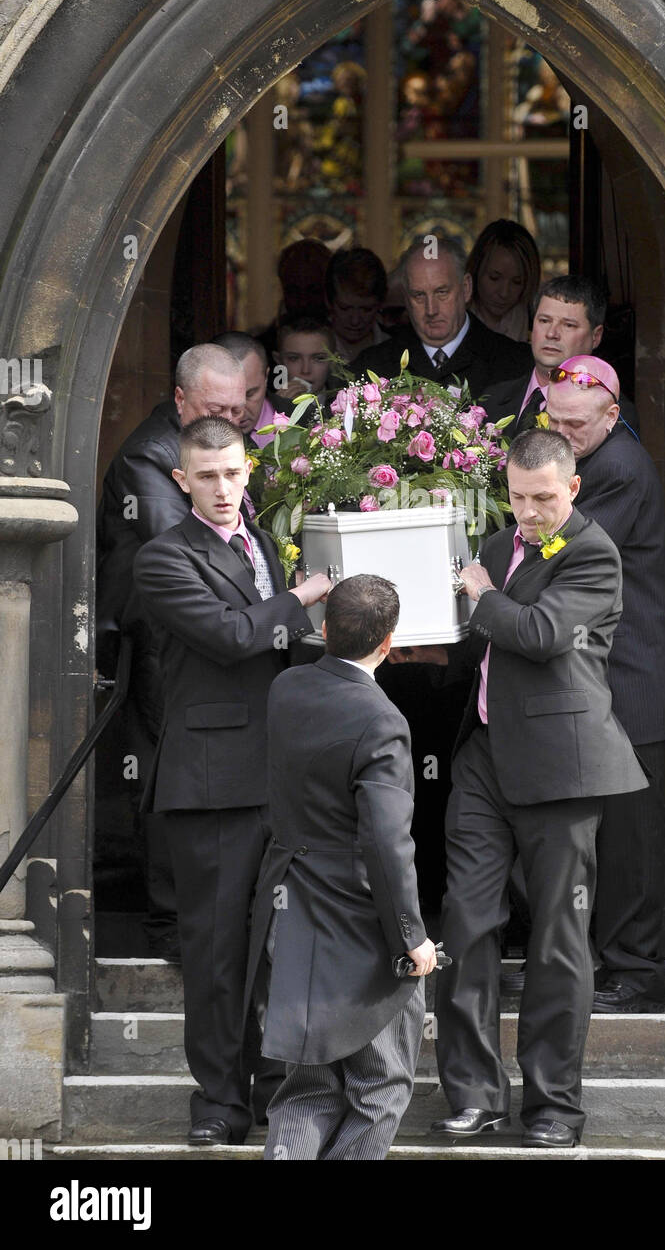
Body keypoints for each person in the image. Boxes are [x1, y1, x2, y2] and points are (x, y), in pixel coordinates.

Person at [412, 430, 647, 1147]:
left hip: (562, 765)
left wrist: (480, 599)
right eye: (517, 497)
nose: (530, 512)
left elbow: (541, 633)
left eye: (543, 497)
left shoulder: (594, 552)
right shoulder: (490, 546)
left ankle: (553, 1109)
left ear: (571, 488)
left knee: (557, 942)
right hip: (483, 756)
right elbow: (481, 646)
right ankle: (474, 1096)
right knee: (464, 926)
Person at [132, 416, 330, 1145]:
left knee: (281, 946)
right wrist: (304, 597)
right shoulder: (162, 557)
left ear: (249, 474)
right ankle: (217, 1100)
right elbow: (231, 636)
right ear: (182, 481)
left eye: (232, 474)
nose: (222, 489)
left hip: (278, 778)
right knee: (215, 952)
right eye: (206, 477)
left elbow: (279, 654)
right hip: (210, 783)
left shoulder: (265, 550)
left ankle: (275, 1088)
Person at [246, 575, 437, 1160]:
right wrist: (413, 938)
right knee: (382, 1085)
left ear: (323, 629)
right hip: (355, 928)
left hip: (287, 910)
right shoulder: (382, 720)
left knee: (304, 1090)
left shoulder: (286, 689)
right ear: (390, 643)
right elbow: (385, 843)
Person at [95, 344, 248, 957]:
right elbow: (188, 551)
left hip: (203, 641)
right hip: (158, 645)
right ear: (180, 400)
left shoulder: (219, 444)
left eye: (242, 410)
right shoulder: (147, 455)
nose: (232, 423)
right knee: (164, 777)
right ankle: (169, 925)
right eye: (217, 408)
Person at [545, 356, 665, 1013]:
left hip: (631, 684)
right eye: (555, 421)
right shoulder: (590, 457)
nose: (564, 433)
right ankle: (606, 964)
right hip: (612, 682)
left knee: (628, 840)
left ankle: (635, 973)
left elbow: (567, 546)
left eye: (577, 423)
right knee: (603, 836)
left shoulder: (619, 467)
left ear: (611, 415)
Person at [353, 235, 530, 400]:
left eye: (442, 292)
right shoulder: (371, 368)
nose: (431, 310)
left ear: (466, 288)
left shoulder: (517, 365)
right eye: (419, 295)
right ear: (406, 298)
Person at [482, 274, 639, 437]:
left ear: (596, 336)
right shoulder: (491, 399)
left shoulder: (612, 415)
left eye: (568, 325)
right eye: (544, 321)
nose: (551, 333)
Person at [466, 219, 541, 343]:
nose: (504, 293)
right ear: (476, 270)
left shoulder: (538, 329)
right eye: (494, 278)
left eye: (517, 282)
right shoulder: (451, 323)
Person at [324, 247, 389, 361]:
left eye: (366, 309)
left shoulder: (396, 352)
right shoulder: (308, 350)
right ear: (329, 302)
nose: (355, 320)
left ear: (380, 305)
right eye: (345, 308)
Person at [271, 316, 339, 418]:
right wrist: (278, 408)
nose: (305, 370)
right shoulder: (264, 407)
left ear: (333, 361)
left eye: (319, 358)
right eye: (294, 358)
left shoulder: (347, 407)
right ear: (279, 360)